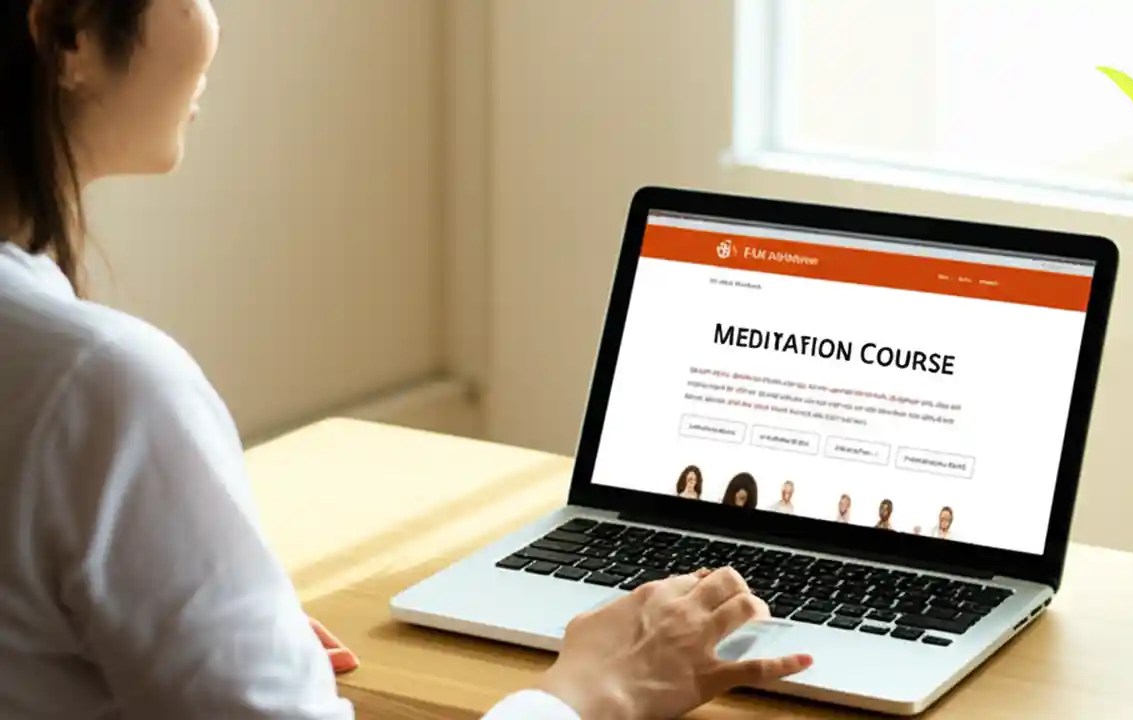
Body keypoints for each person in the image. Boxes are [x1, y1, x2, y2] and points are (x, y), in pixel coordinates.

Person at [0, 2, 813, 718]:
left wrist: (224, 640)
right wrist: (593, 689)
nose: (214, 23)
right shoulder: (99, 388)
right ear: (65, 34)